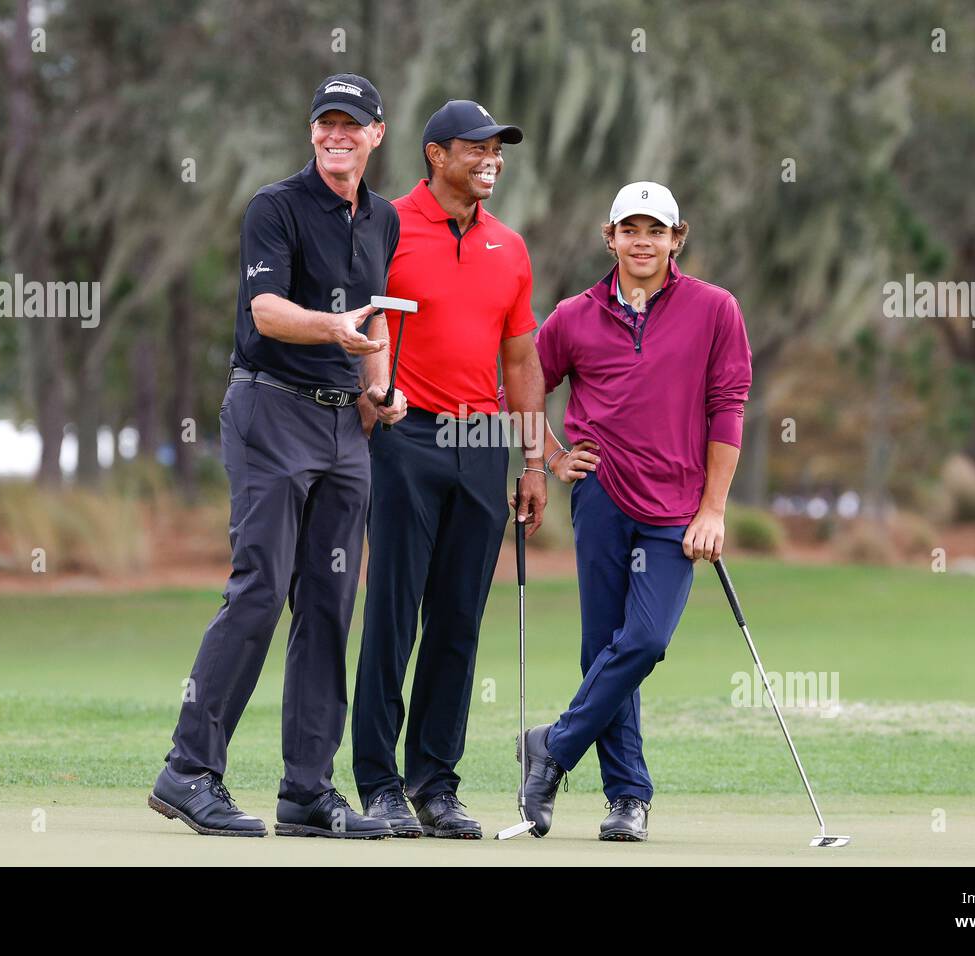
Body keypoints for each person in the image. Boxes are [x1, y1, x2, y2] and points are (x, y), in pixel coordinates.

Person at [150, 73, 407, 839]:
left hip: (343, 430)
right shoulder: (276, 207)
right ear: (311, 132)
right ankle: (188, 770)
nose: (338, 136)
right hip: (271, 410)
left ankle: (308, 792)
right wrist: (336, 333)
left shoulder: (384, 219)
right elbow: (266, 313)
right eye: (326, 123)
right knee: (260, 588)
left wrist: (381, 390)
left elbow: (378, 318)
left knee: (328, 606)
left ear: (376, 136)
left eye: (351, 125)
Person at [517, 181, 753, 841]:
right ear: (610, 237)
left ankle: (552, 748)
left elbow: (728, 407)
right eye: (630, 229)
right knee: (602, 649)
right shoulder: (574, 314)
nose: (642, 242)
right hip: (602, 498)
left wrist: (714, 509)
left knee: (644, 640)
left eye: (656, 230)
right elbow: (527, 377)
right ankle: (627, 800)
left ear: (677, 239)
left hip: (678, 505)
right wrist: (551, 458)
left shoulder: (715, 309)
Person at [351, 100, 548, 839]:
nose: (491, 159)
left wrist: (533, 459)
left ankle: (434, 783)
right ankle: (377, 784)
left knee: (459, 622)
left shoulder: (510, 246)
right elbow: (365, 323)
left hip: (482, 445)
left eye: (499, 149)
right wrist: (373, 406)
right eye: (477, 148)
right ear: (437, 154)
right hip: (406, 438)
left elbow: (521, 358)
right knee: (394, 615)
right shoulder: (388, 224)